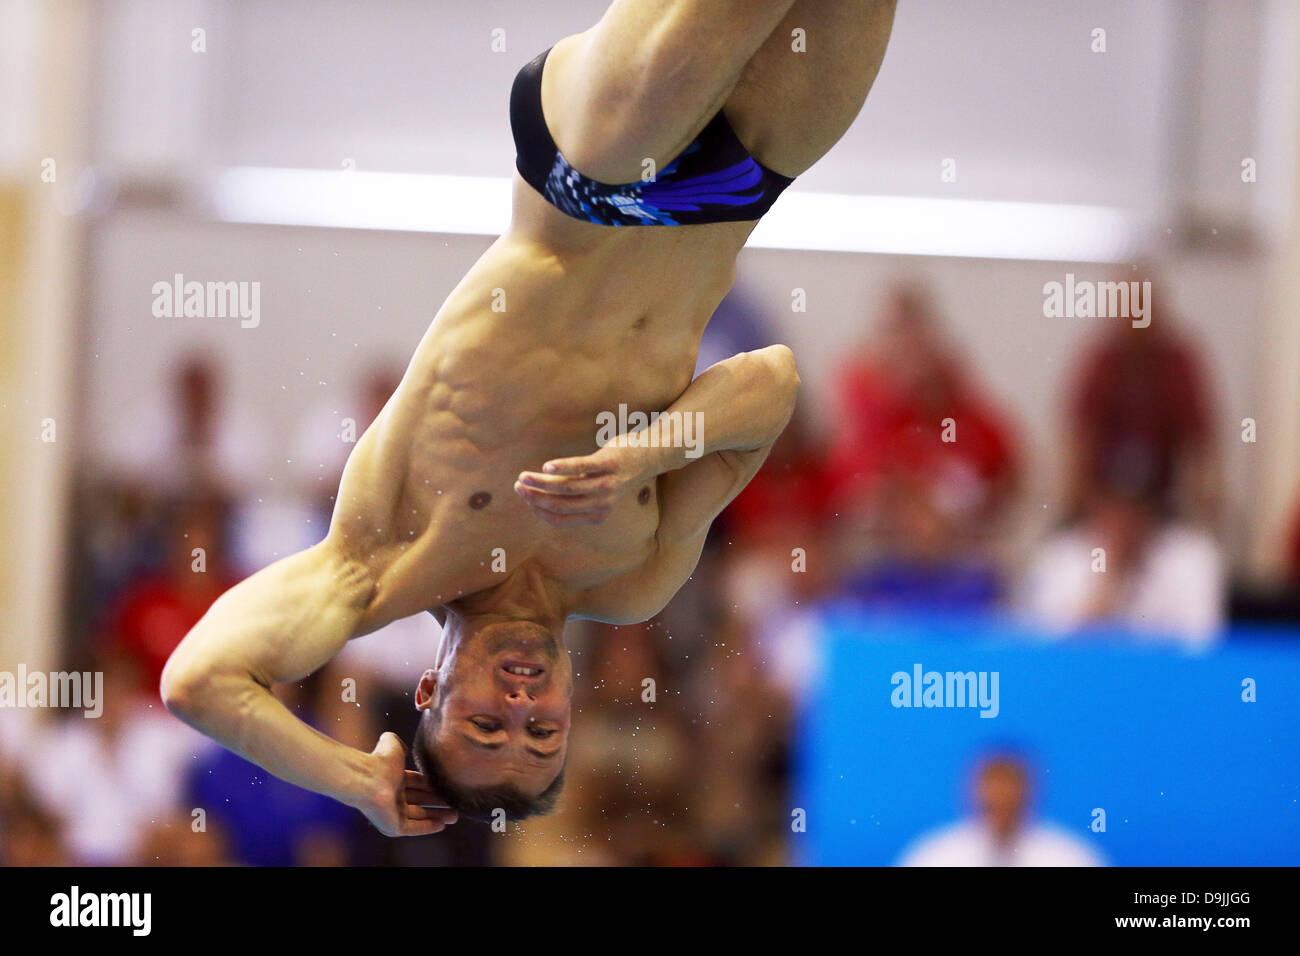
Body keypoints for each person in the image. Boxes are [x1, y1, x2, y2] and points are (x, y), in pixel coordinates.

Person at [161, 0, 898, 836]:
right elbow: (772, 384)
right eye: (541, 729)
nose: (519, 704)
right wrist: (643, 457)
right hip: (733, 193)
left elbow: (197, 681)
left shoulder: (383, 560)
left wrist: (360, 782)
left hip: (589, 180)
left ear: (429, 692)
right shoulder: (631, 577)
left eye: (484, 724)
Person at [898, 753, 1103, 867]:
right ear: (973, 794)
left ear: (1029, 793)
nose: (1002, 799)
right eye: (993, 793)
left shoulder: (1068, 855)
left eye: (1009, 791)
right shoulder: (935, 855)